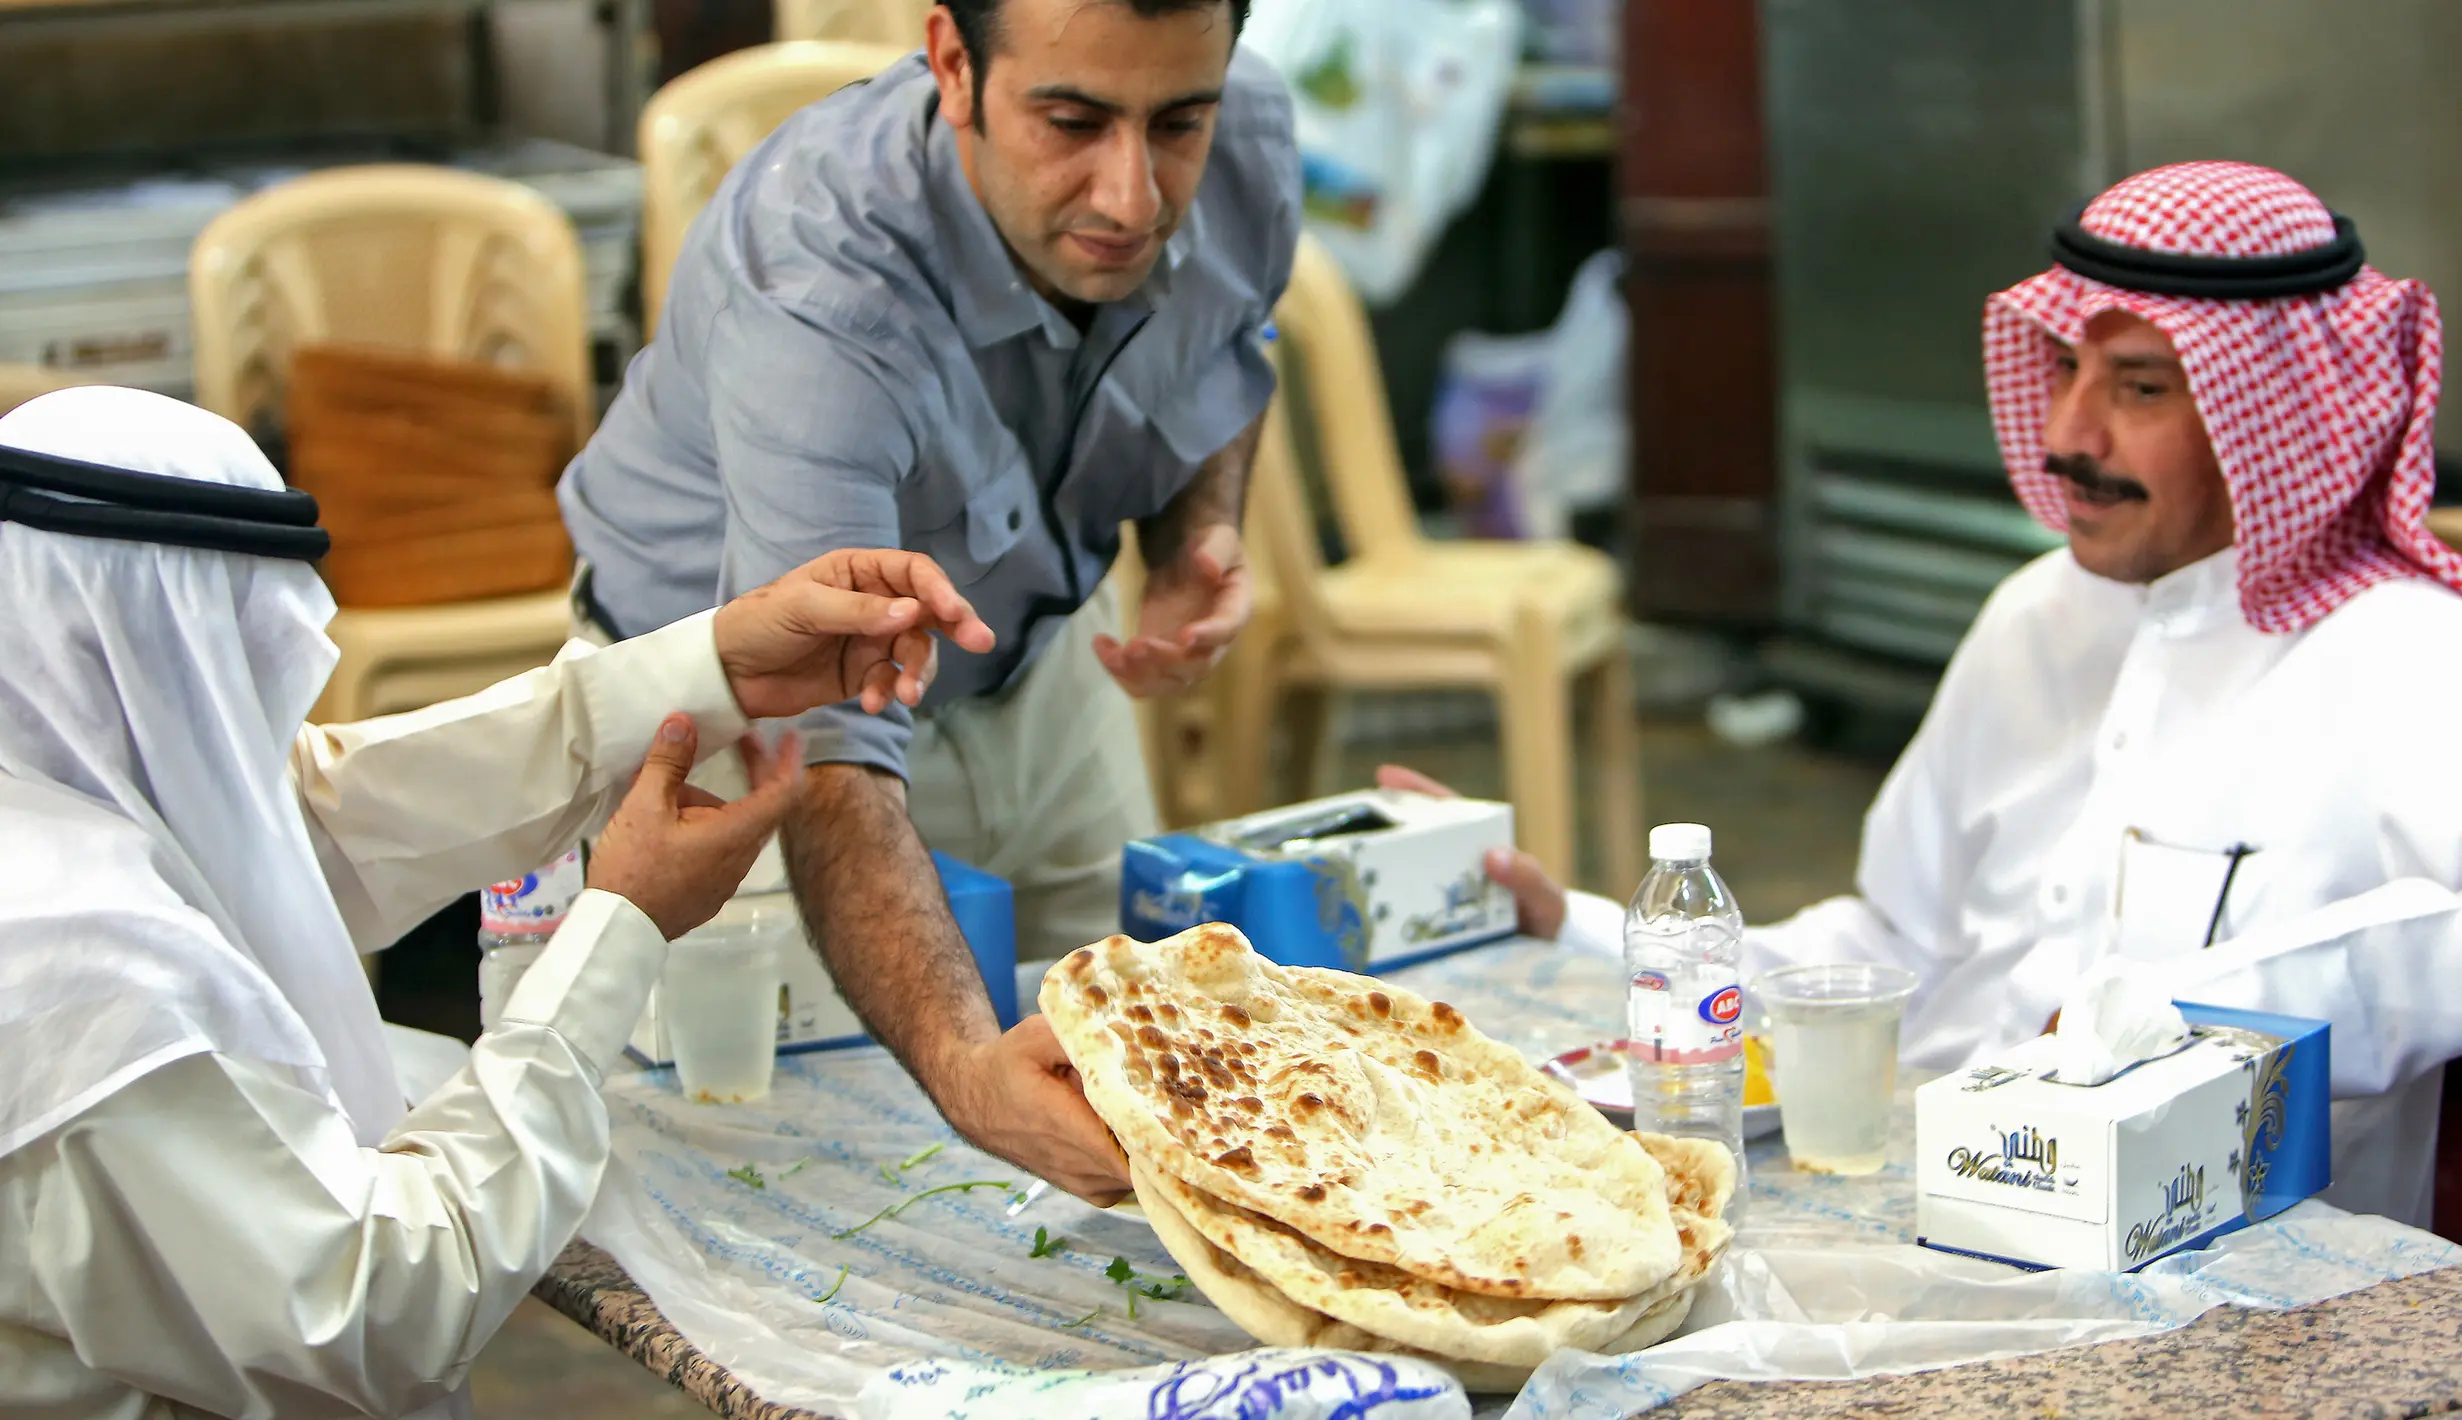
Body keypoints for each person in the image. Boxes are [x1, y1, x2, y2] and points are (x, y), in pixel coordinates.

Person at [1390, 161, 2462, 1228]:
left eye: (2137, 388)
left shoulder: (2404, 657)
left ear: (2273, 412)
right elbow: (1889, 949)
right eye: (2063, 371)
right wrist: (1565, 923)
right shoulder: (2038, 614)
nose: (2067, 437)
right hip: (1908, 1209)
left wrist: (2141, 1027)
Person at [0, 385, 1054, 1419]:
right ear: (149, 654)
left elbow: (307, 814)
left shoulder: (53, 781)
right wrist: (620, 924)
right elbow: (376, 1312)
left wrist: (715, 666)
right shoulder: (76, 975)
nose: (268, 705)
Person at [556, 0, 1295, 1201]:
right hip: (734, 739)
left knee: (1135, 1128)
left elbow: (1222, 346)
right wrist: (958, 1065)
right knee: (801, 1209)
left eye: (1176, 123)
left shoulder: (1249, 126)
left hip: (1045, 666)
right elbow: (826, 747)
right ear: (952, 62)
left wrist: (1194, 527)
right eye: (1070, 122)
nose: (1132, 200)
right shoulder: (818, 289)